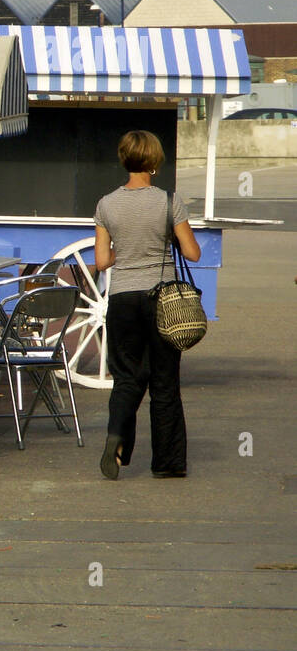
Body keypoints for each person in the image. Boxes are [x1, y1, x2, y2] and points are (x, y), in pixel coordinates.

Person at [93, 130, 200, 480]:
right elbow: (192, 253)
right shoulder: (169, 201)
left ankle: (117, 441)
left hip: (123, 299)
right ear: (154, 162)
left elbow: (102, 261)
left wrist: (127, 246)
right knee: (165, 382)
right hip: (162, 301)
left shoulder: (106, 204)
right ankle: (168, 463)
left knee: (126, 378)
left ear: (124, 160)